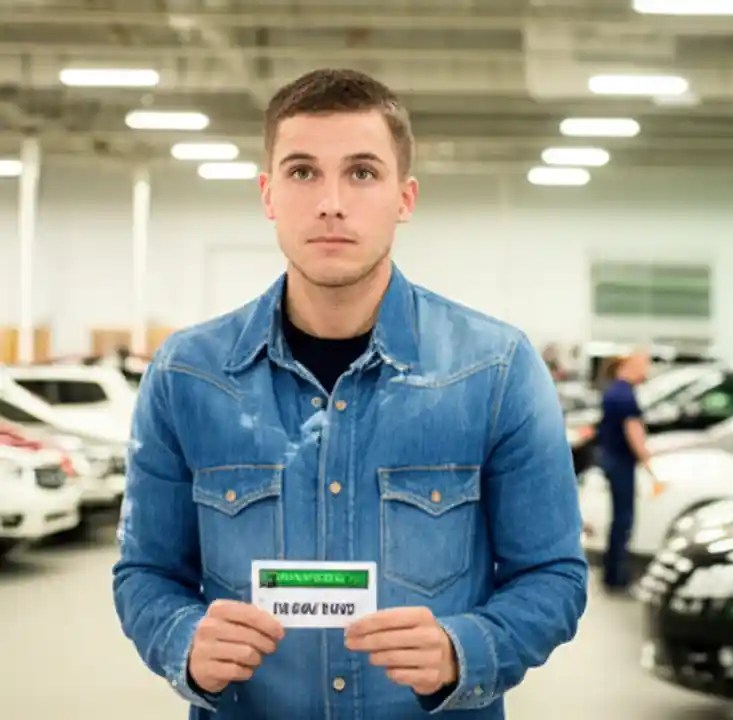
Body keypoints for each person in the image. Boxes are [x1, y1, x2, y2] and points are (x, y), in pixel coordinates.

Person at [111, 68, 587, 719]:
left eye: (362, 172)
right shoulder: (186, 376)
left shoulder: (496, 369)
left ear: (405, 197)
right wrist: (182, 641)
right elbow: (144, 573)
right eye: (303, 171)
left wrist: (464, 650)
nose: (331, 201)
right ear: (268, 194)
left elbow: (554, 577)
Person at [594, 351, 656, 592]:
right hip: (621, 463)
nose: (646, 371)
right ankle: (617, 576)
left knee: (618, 518)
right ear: (629, 366)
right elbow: (634, 433)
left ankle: (612, 572)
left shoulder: (614, 392)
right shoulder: (625, 396)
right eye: (643, 365)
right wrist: (649, 465)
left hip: (611, 460)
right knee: (624, 519)